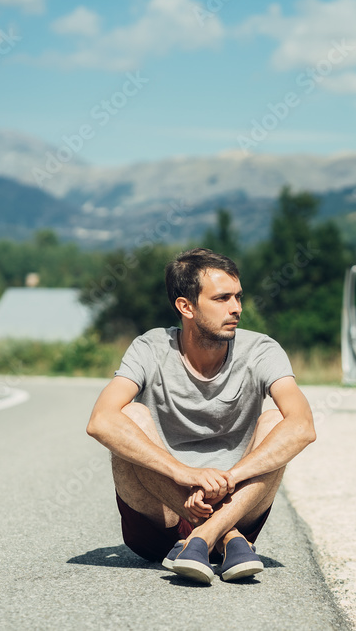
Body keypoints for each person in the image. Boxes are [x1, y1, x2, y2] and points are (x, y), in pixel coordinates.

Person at [86, 248, 316, 584]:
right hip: (161, 514)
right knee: (129, 416)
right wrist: (185, 474)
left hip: (237, 502)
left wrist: (231, 478)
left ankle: (203, 539)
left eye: (238, 297)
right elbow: (100, 421)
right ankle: (227, 538)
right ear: (186, 306)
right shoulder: (150, 347)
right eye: (222, 298)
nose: (236, 308)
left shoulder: (262, 350)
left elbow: (303, 427)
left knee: (277, 422)